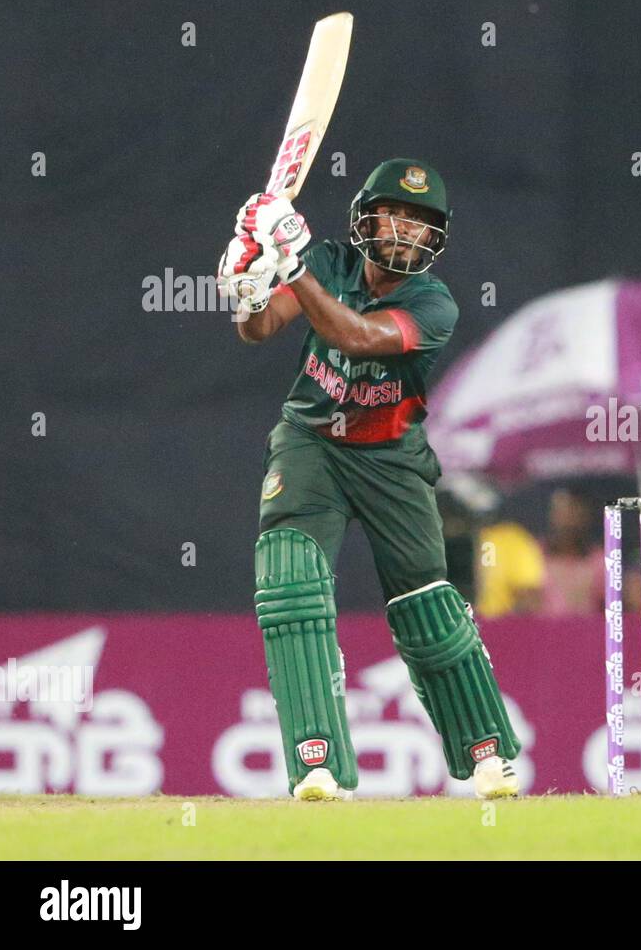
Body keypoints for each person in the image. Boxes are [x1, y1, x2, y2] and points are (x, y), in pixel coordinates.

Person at [217, 158, 521, 801]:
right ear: (366, 217)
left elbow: (355, 336)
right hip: (312, 442)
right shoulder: (328, 262)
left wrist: (289, 264)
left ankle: (486, 752)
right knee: (290, 586)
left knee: (426, 607)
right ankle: (317, 763)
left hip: (391, 458)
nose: (406, 230)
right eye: (395, 215)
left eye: (420, 222)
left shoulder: (434, 304)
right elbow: (258, 329)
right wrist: (250, 287)